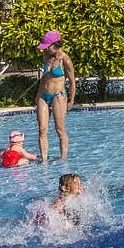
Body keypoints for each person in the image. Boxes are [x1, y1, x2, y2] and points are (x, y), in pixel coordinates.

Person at [33, 30, 77, 162]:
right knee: (42, 129)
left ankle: (63, 160)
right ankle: (44, 160)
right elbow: (44, 78)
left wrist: (71, 100)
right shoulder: (46, 57)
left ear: (56, 44)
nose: (46, 49)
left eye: (48, 46)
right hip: (43, 96)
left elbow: (72, 81)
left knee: (60, 129)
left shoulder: (66, 60)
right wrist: (37, 94)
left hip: (59, 96)